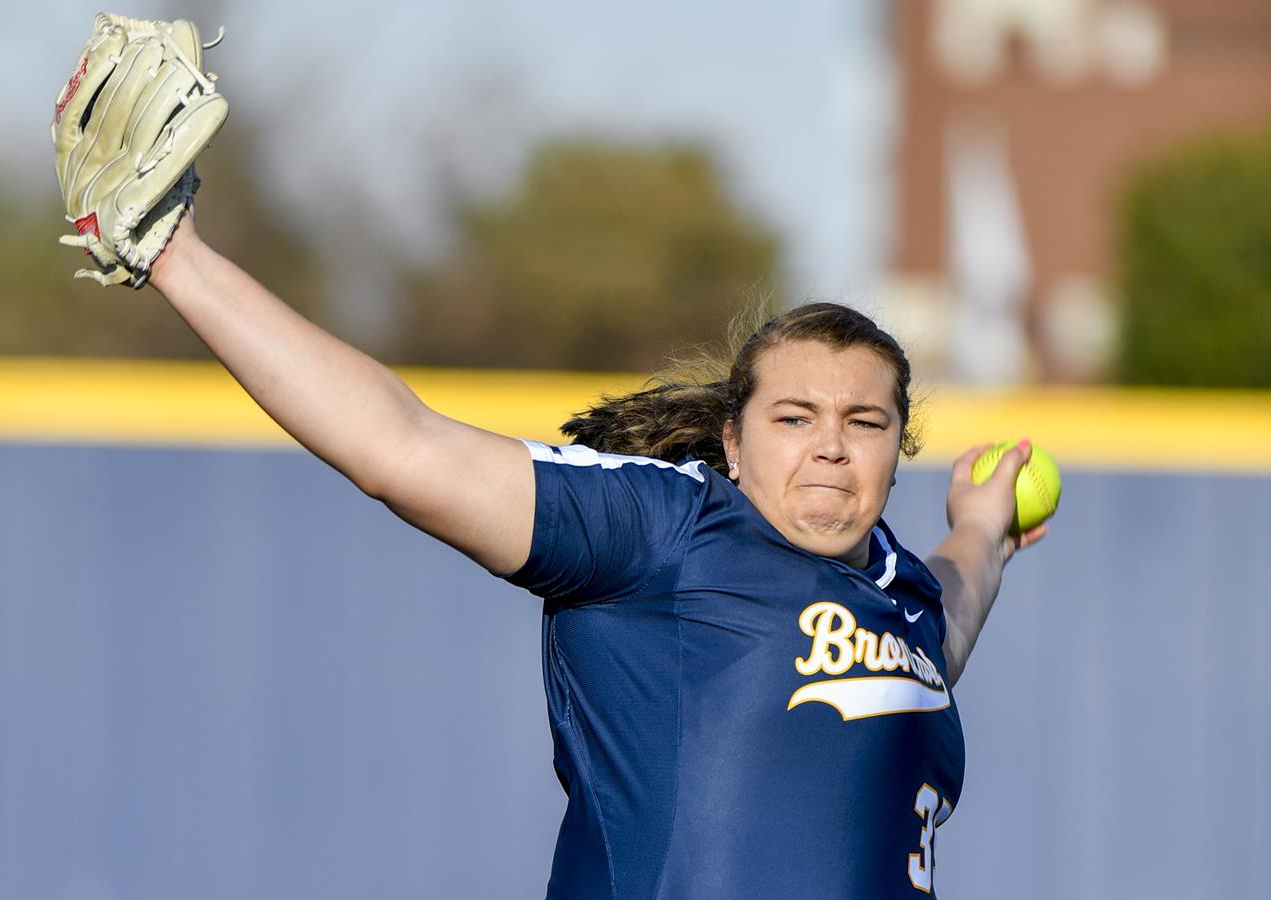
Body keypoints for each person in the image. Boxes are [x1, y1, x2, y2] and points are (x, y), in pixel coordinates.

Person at [138, 210, 1047, 898]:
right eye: (794, 417)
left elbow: (954, 609)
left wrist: (986, 529)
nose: (830, 446)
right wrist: (173, 252)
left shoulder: (905, 596)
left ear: (898, 448)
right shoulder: (670, 527)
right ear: (733, 441)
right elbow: (399, 444)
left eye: (865, 422)